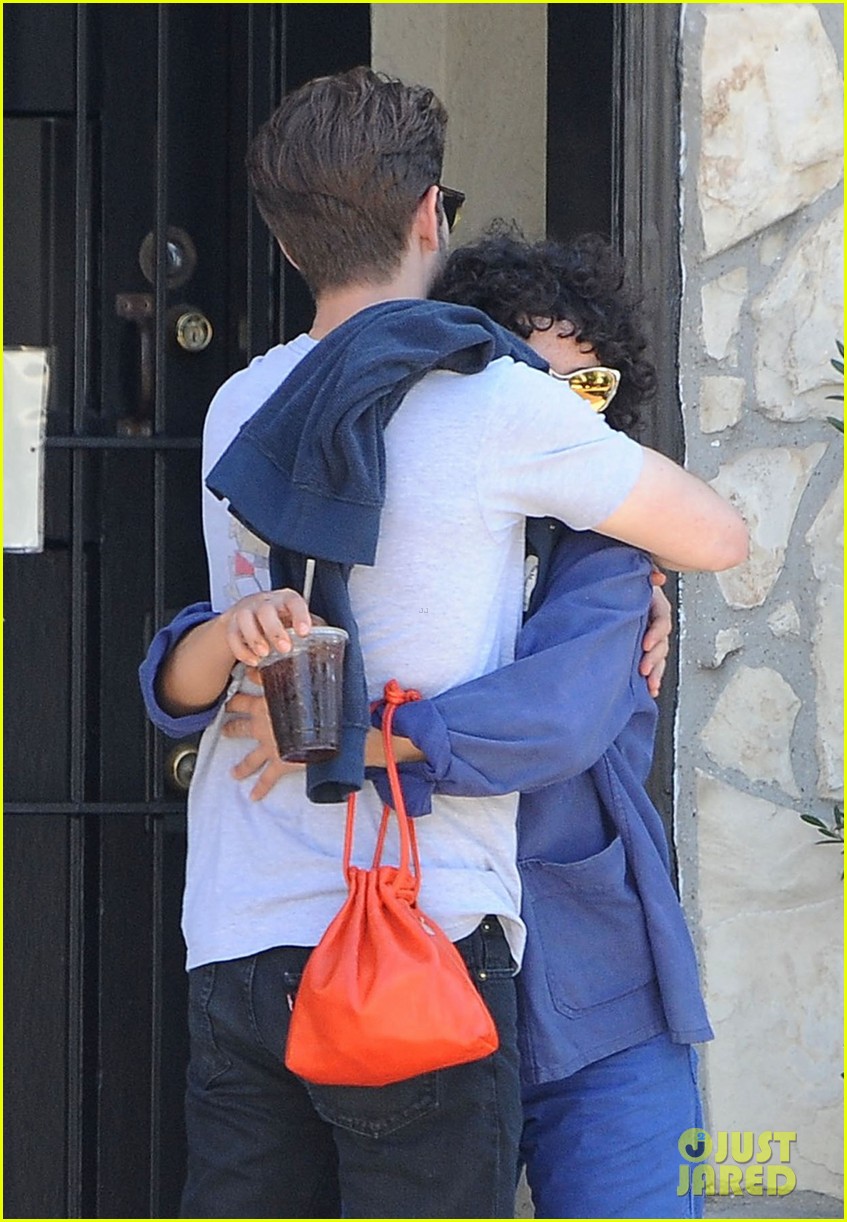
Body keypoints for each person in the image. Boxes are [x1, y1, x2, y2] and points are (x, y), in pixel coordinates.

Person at [139, 68, 746, 1220]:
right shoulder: (492, 409)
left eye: (594, 383)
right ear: (430, 216)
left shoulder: (240, 405)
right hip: (421, 924)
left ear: (280, 240)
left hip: (288, 925)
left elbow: (559, 700)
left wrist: (357, 738)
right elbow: (720, 529)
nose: (569, 397)